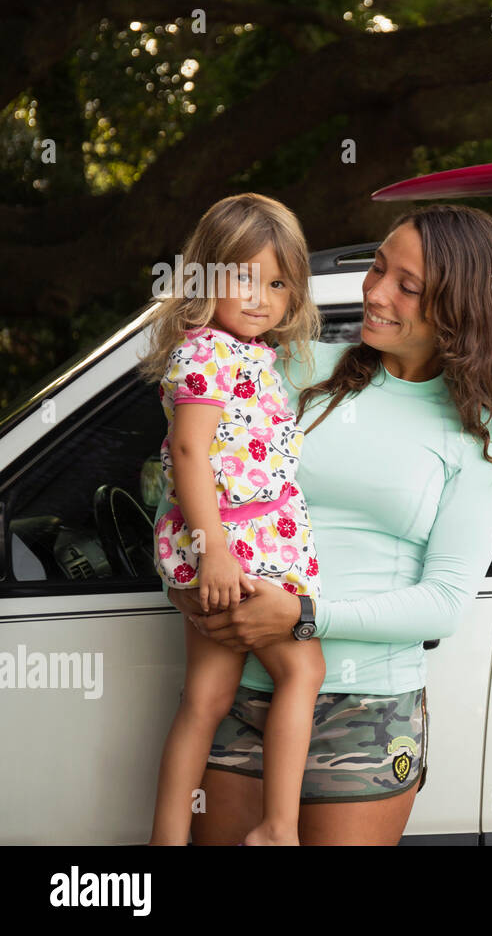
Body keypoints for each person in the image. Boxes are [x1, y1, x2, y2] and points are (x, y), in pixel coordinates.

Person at [155, 203, 492, 844]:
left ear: (457, 307)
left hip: (368, 712)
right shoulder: (292, 367)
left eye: (406, 286)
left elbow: (443, 605)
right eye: (378, 268)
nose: (375, 292)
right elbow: (186, 472)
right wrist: (187, 578)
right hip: (242, 691)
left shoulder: (477, 439)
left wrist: (304, 615)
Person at [139, 193, 325, 846]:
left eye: (278, 283)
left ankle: (166, 840)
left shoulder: (249, 353)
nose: (261, 298)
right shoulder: (209, 354)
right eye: (243, 279)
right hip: (235, 546)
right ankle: (277, 826)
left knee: (205, 700)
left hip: (240, 538)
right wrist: (213, 550)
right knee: (303, 671)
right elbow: (188, 453)